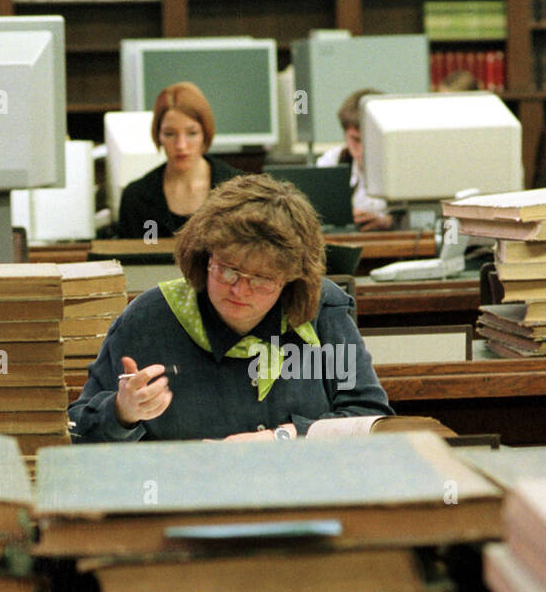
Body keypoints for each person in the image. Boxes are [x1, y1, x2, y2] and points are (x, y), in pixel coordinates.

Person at [70, 174, 395, 442]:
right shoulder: (148, 320)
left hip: (302, 500)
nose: (240, 289)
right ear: (204, 255)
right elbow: (76, 432)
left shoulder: (322, 309)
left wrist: (281, 438)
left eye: (263, 279)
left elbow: (369, 418)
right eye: (227, 269)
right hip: (184, 503)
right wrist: (121, 413)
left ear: (290, 280)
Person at [114, 82, 242, 238]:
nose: (181, 145)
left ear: (205, 134)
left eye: (192, 133)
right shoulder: (137, 197)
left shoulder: (239, 191)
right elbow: (138, 253)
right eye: (169, 134)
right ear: (158, 136)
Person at [315, 88, 396, 231]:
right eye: (356, 140)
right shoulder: (332, 162)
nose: (363, 150)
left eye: (371, 139)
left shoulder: (405, 164)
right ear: (345, 135)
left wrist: (390, 222)